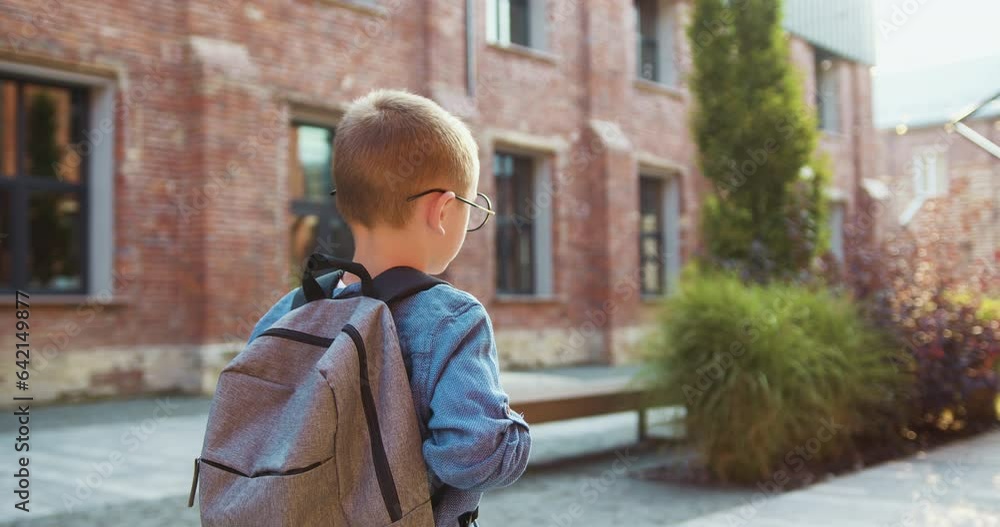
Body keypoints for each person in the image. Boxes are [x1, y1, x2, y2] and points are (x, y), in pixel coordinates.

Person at [248, 89, 531, 527]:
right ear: (442, 210)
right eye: (473, 209)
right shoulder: (451, 319)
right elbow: (473, 454)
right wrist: (512, 432)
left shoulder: (290, 309)